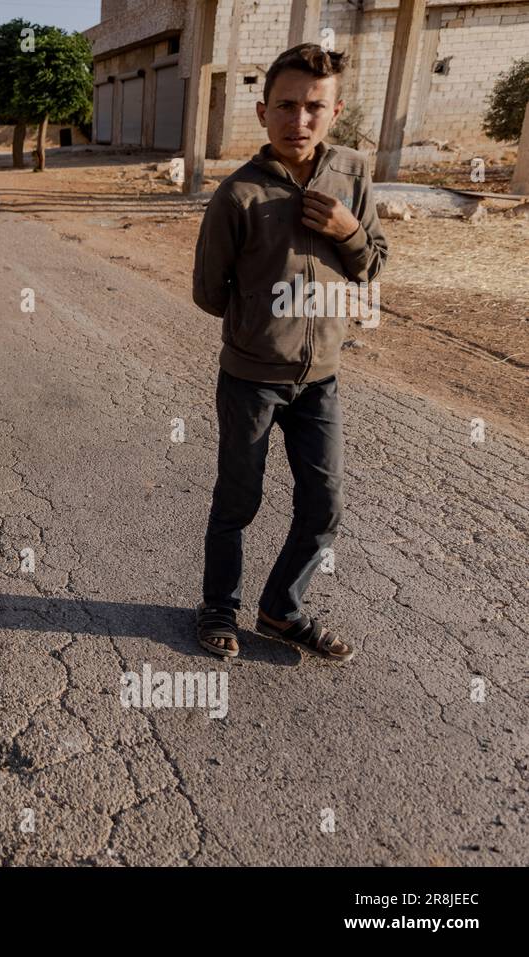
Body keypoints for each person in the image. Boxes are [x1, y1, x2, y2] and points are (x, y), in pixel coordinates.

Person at [192, 44, 388, 662]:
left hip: (322, 379)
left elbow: (375, 263)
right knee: (238, 501)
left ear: (335, 112)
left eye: (313, 107)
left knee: (324, 505)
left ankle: (281, 608)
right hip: (251, 379)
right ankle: (219, 609)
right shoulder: (238, 195)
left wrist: (348, 233)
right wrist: (263, 322)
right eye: (285, 106)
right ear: (262, 110)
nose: (298, 120)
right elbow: (208, 292)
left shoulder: (354, 175)